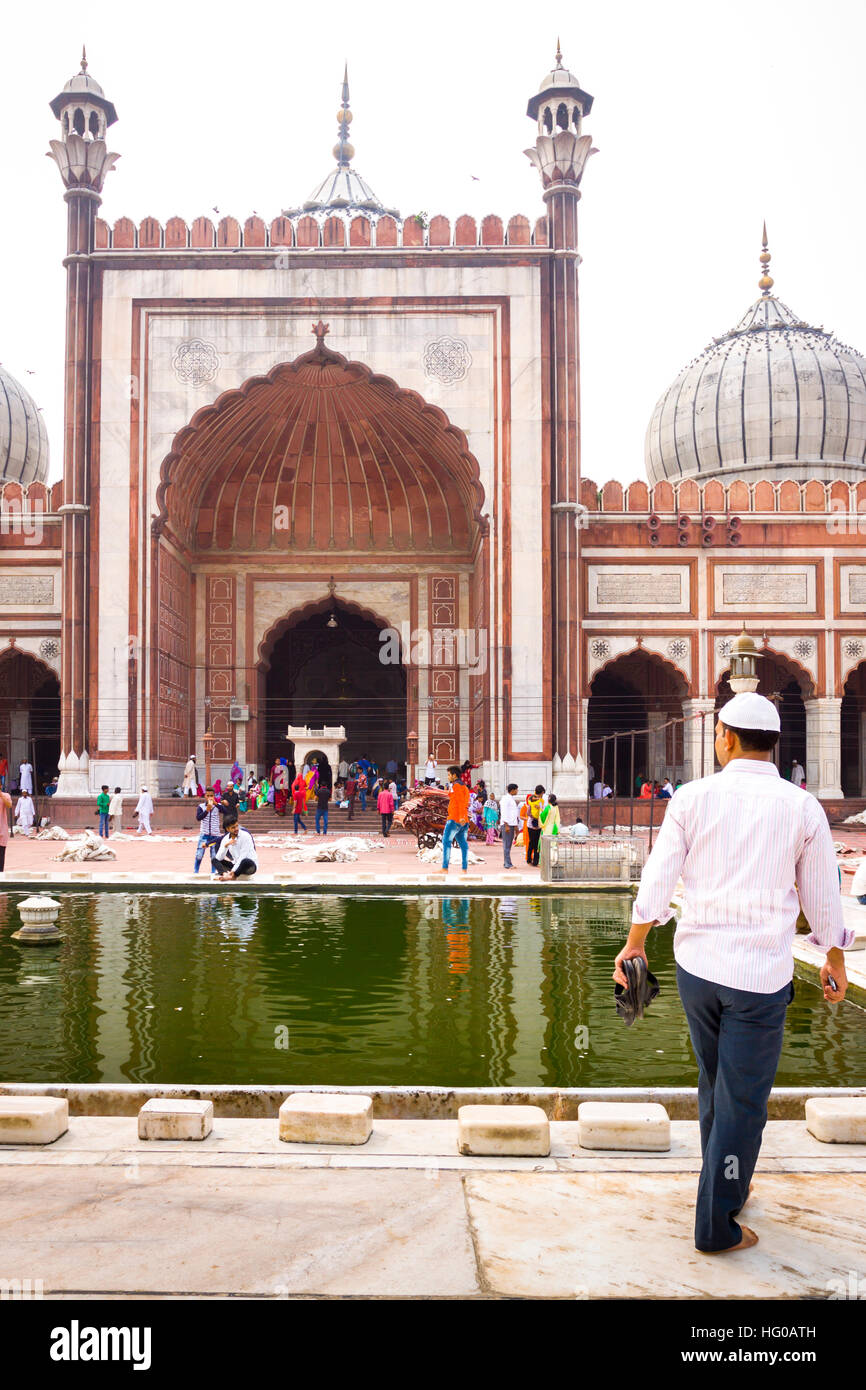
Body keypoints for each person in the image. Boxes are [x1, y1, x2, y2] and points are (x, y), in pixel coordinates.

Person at [614, 691, 853, 1255]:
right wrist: (834, 958)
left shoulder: (693, 798)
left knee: (715, 1083)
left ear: (724, 737)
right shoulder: (802, 807)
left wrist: (635, 943)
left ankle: (724, 1184)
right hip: (760, 977)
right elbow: (822, 899)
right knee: (743, 1100)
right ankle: (716, 1223)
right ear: (775, 744)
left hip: (697, 968)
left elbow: (659, 876)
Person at [439, 766, 471, 873]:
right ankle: (464, 869)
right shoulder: (464, 786)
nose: (448, 777)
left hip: (455, 819)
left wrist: (461, 816)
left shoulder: (456, 786)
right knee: (463, 844)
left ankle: (444, 868)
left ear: (454, 775)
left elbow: (461, 802)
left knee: (446, 842)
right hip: (463, 820)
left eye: (449, 775)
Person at [194, 788, 223, 874]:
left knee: (214, 856)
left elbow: (225, 811)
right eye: (208, 795)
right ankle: (196, 871)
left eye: (211, 796)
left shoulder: (217, 806)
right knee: (199, 855)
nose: (210, 797)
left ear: (214, 796)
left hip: (215, 835)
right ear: (205, 796)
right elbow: (198, 818)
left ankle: (213, 872)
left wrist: (216, 804)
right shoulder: (201, 806)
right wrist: (207, 810)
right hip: (204, 834)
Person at [499, 782, 520, 868]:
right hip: (507, 824)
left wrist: (515, 826)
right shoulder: (505, 799)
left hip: (511, 824)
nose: (517, 791)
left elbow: (513, 813)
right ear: (512, 790)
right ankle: (508, 864)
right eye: (516, 789)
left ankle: (506, 862)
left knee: (508, 845)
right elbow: (504, 812)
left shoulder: (511, 799)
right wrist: (506, 824)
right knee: (507, 845)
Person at [525, 785, 544, 866]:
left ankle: (532, 860)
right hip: (534, 825)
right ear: (542, 792)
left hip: (535, 825)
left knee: (534, 843)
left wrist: (538, 810)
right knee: (534, 843)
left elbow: (529, 813)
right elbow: (528, 813)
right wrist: (535, 817)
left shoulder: (536, 801)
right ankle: (531, 860)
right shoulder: (536, 801)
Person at [0, 785, 11, 869]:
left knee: (1, 854)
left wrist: (1, 795)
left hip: (2, 829)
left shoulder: (6, 795)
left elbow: (9, 805)